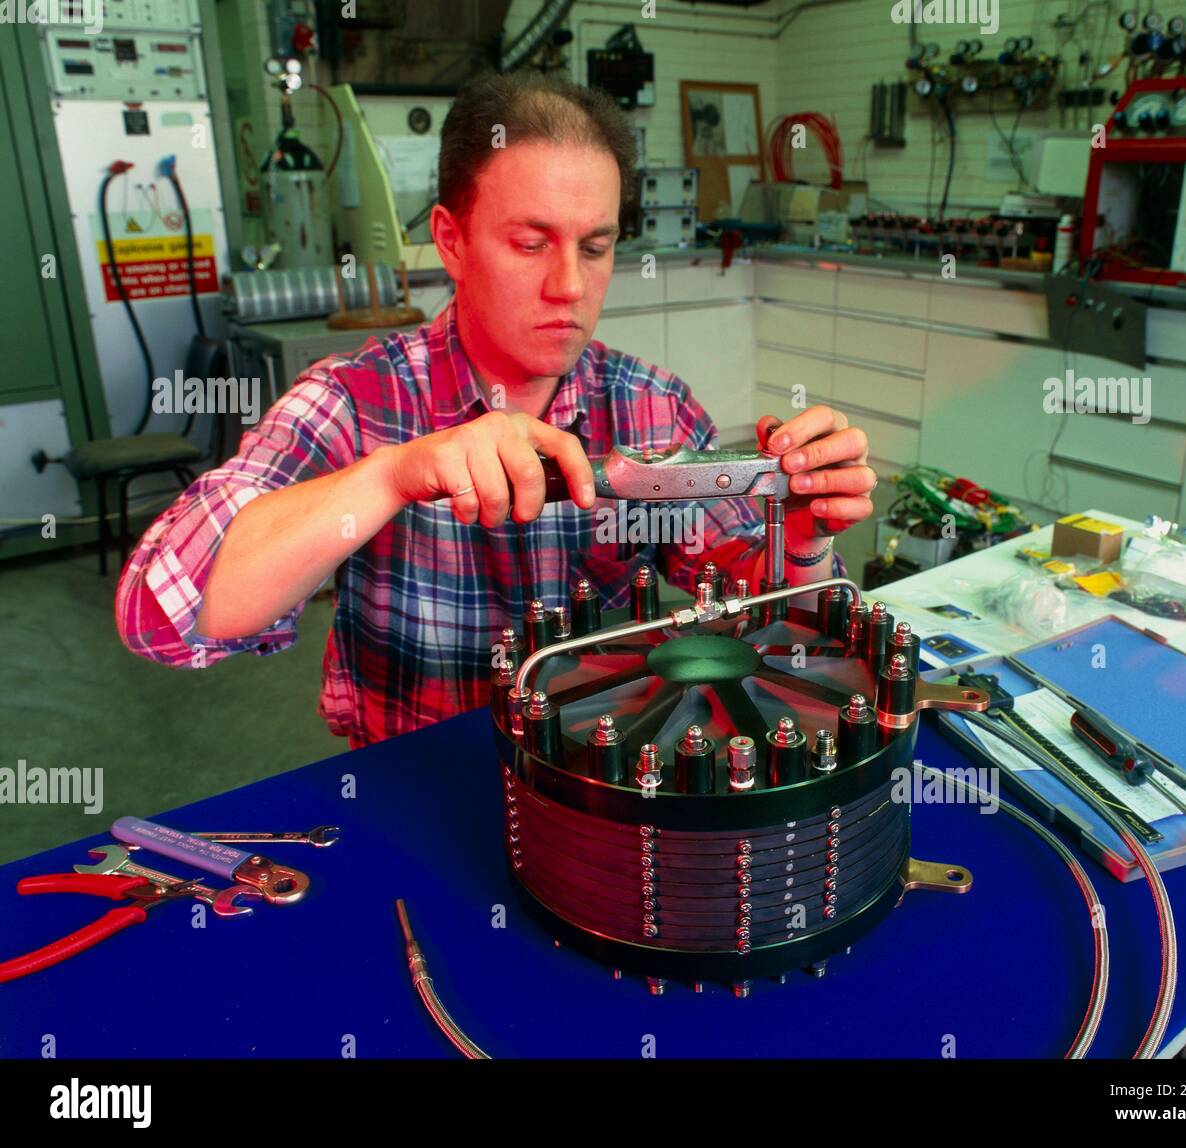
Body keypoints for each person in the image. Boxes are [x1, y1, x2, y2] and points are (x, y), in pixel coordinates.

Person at [116, 70, 876, 748]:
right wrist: (392, 476)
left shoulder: (652, 409)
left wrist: (801, 529)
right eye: (529, 242)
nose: (570, 287)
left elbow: (778, 630)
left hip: (595, 791)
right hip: (415, 791)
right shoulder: (355, 400)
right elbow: (161, 614)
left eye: (596, 246)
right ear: (451, 240)